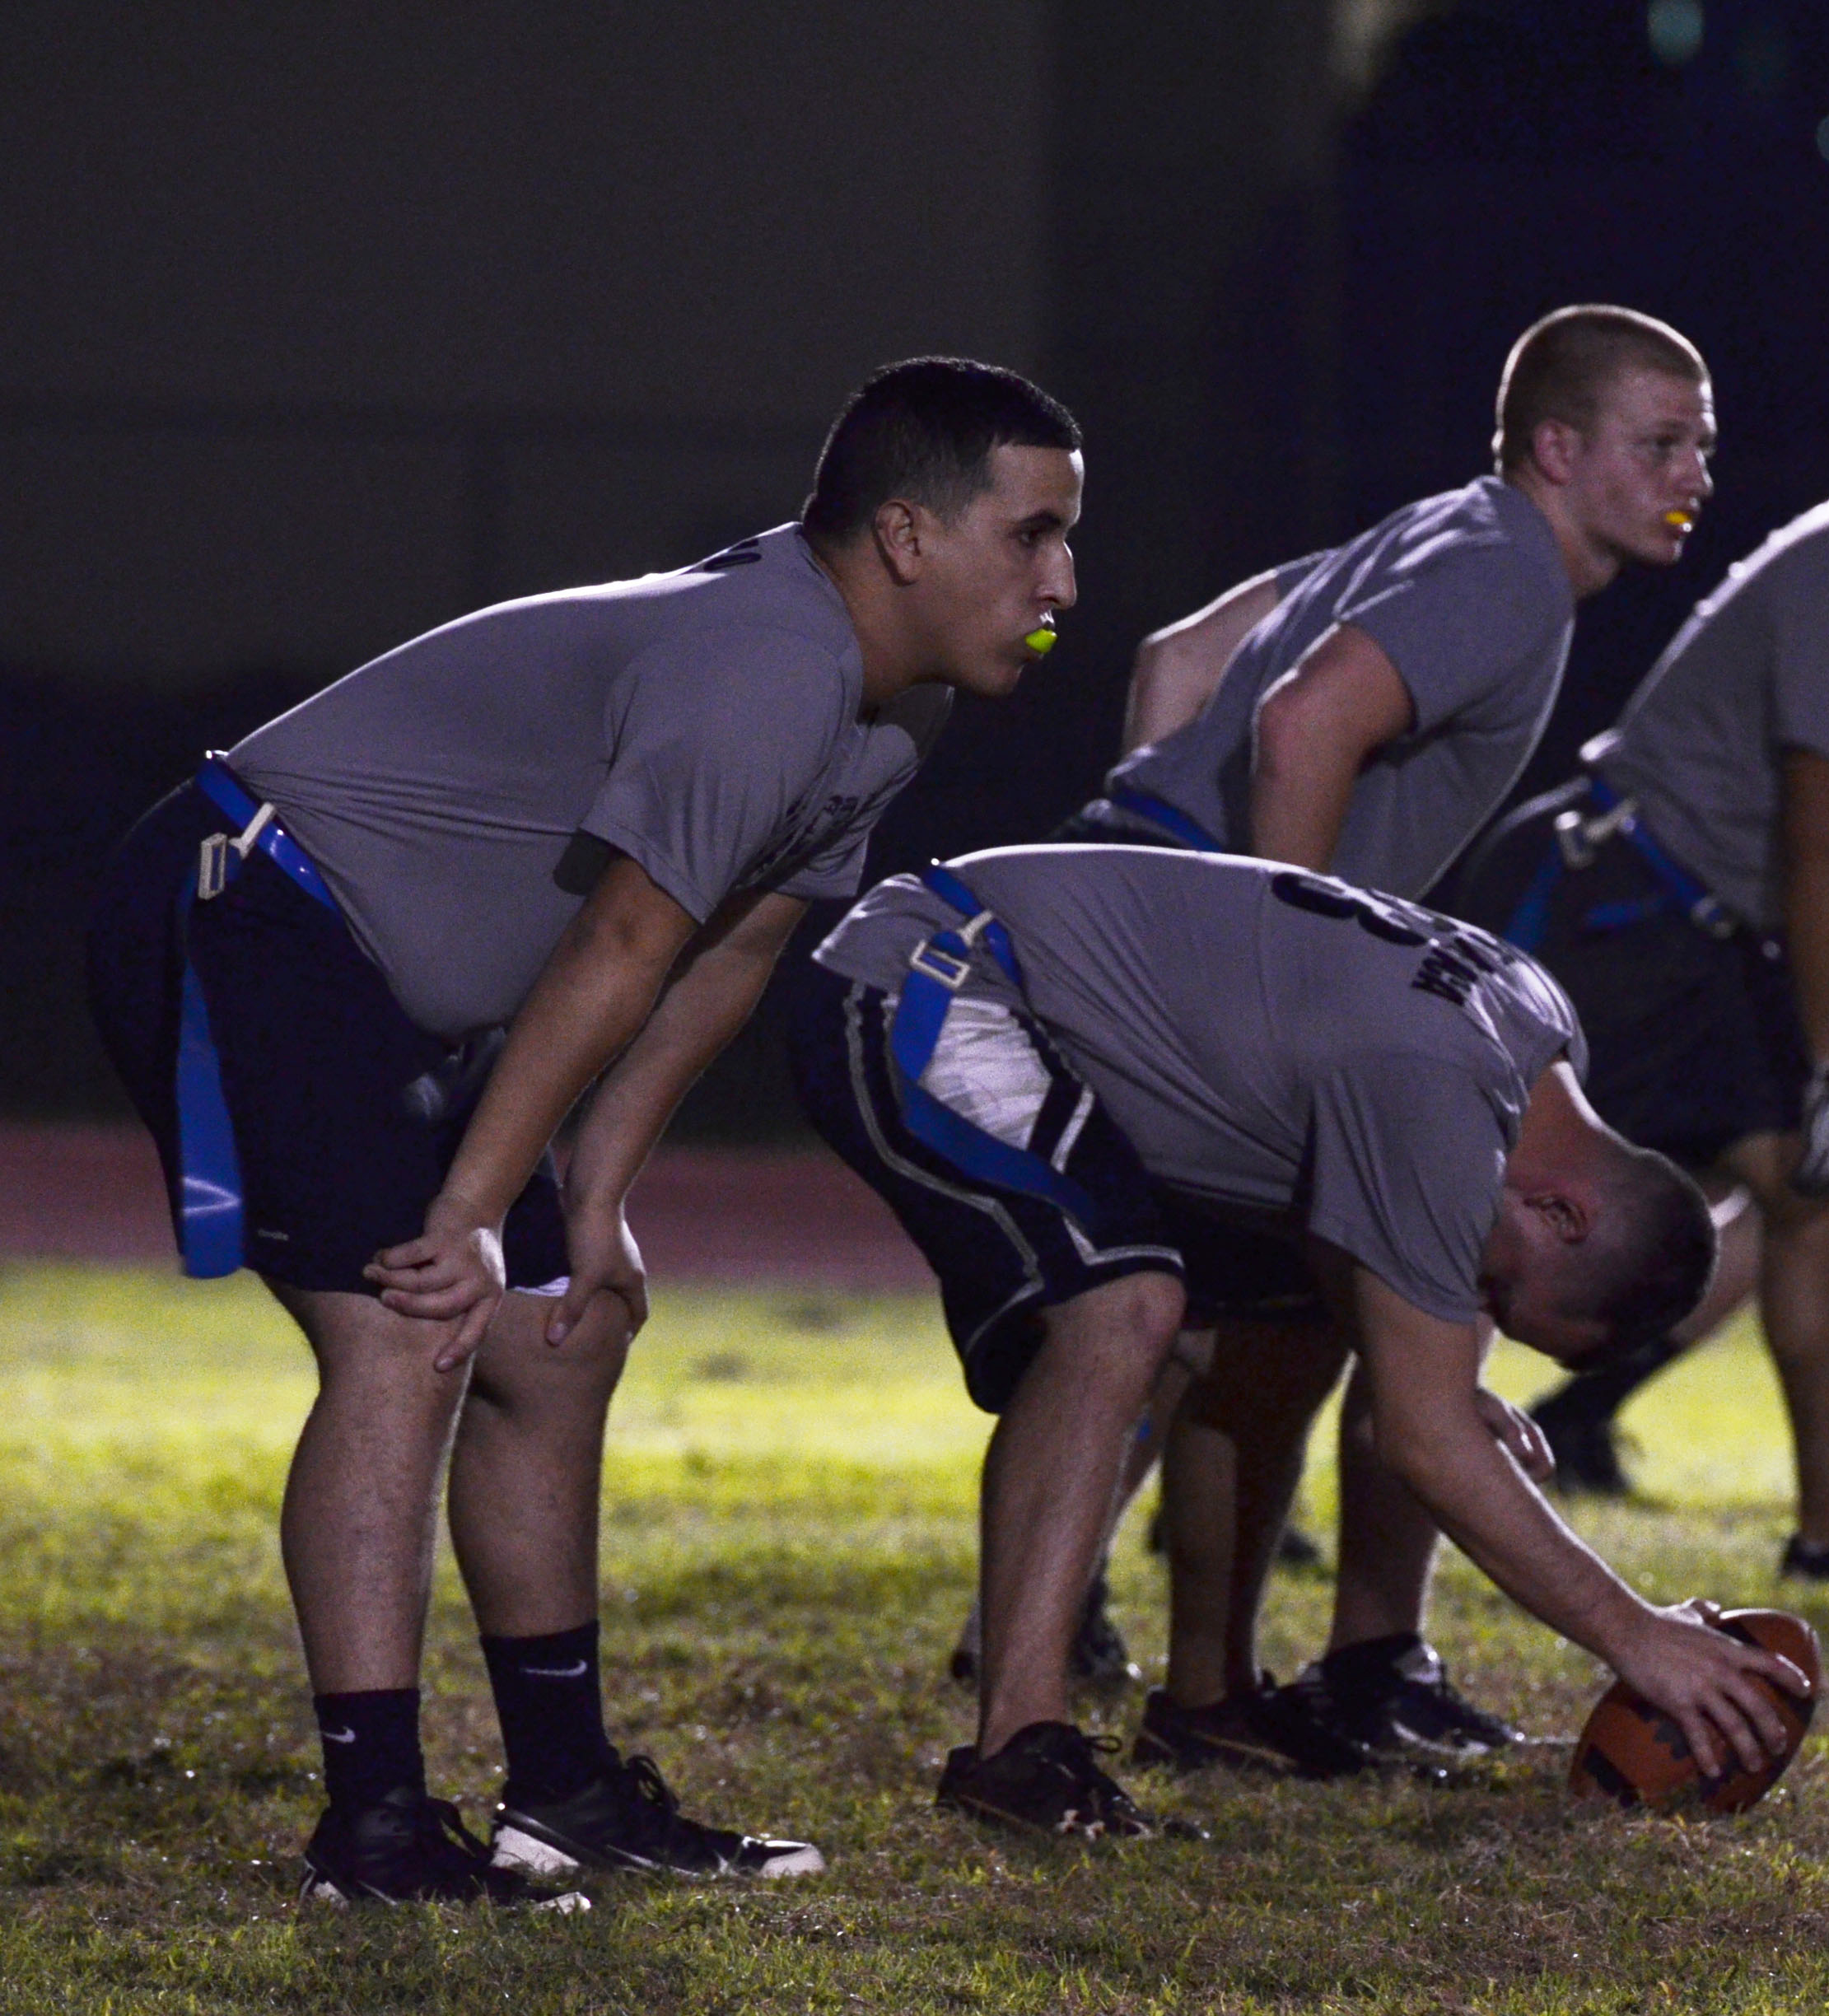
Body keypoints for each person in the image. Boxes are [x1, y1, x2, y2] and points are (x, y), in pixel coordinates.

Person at [84, 357, 1087, 1904]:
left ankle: (564, 1790)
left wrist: (593, 1194)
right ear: (903, 536)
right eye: (1029, 535)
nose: (1060, 580)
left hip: (372, 972)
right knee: (412, 1328)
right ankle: (373, 1827)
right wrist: (483, 1206)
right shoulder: (773, 666)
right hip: (251, 898)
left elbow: (730, 952)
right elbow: (621, 942)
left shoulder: (890, 710)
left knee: (553, 1337)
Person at [788, 845, 1808, 1836]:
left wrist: (1424, 1363)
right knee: (1122, 1306)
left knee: (1290, 1329)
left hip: (1018, 988)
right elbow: (1423, 1441)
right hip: (937, 972)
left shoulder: (1532, 1048)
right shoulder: (1444, 1094)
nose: (1473, 1302)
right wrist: (1635, 1634)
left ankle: (1209, 1706)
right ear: (1566, 1216)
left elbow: (1355, 1196)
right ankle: (1015, 1742)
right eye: (1496, 1290)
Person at [1028, 306, 1715, 1770]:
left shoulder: (1453, 533)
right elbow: (1296, 723)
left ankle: (1178, 1664)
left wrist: (1165, 857)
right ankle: (1286, 1665)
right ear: (1556, 447)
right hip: (1184, 957)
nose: (1694, 471)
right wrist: (1289, 959)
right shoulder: (1506, 572)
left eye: (1702, 442)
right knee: (1327, 1306)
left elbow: (1177, 660)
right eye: (1661, 443)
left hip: (1145, 911)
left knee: (1254, 1331)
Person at [1458, 301, 1829, 1585]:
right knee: (1444, 1220)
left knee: (1820, 1190)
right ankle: (1252, 1505)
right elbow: (1818, 840)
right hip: (1606, 904)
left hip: (1690, 921)